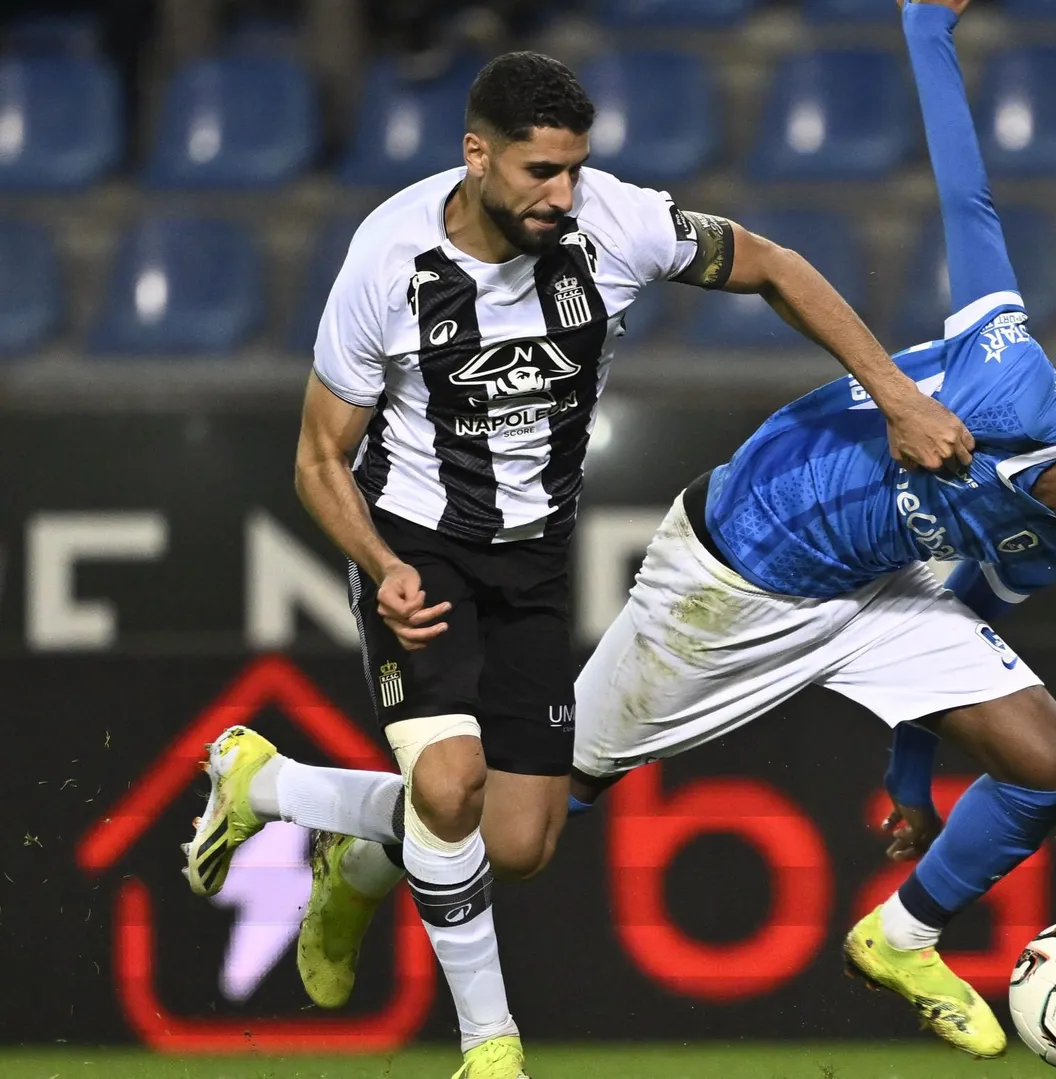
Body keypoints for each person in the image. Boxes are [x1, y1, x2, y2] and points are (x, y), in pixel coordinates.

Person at [226, 0, 1056, 1057]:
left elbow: (962, 605)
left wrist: (910, 777)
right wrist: (927, 34)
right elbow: (969, 202)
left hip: (872, 594)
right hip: (735, 573)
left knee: (1054, 764)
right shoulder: (1013, 382)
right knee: (514, 834)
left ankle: (901, 935)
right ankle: (314, 818)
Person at [178, 50, 973, 1079]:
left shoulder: (617, 223)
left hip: (535, 558)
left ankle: (283, 792)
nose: (562, 194)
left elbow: (776, 265)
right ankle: (491, 1048)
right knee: (449, 783)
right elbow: (318, 459)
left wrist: (898, 398)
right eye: (539, 171)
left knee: (517, 843)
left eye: (574, 169)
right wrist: (378, 562)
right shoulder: (387, 262)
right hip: (417, 542)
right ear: (477, 156)